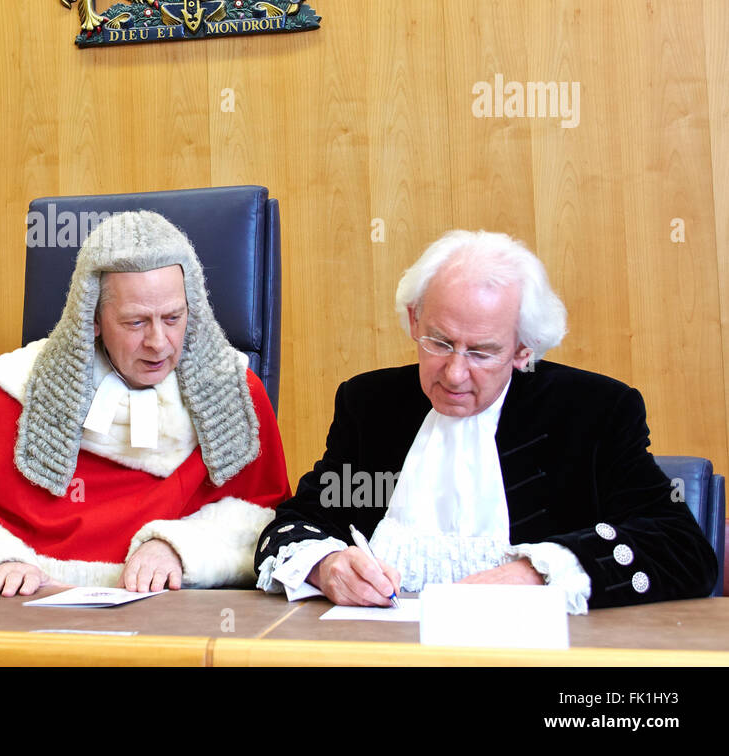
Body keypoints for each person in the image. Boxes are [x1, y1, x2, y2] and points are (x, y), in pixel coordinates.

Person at [255, 230, 718, 613]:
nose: (455, 373)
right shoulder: (372, 404)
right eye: (438, 342)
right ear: (415, 320)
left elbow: (682, 549)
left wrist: (535, 574)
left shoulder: (593, 411)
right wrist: (328, 564)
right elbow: (297, 523)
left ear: (523, 349)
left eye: (482, 352)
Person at [0, 211, 291, 596]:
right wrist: (0, 562)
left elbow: (268, 526)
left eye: (173, 318)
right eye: (136, 323)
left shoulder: (233, 392)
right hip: (41, 624)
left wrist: (178, 547)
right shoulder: (26, 389)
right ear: (92, 318)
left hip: (180, 621)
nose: (159, 342)